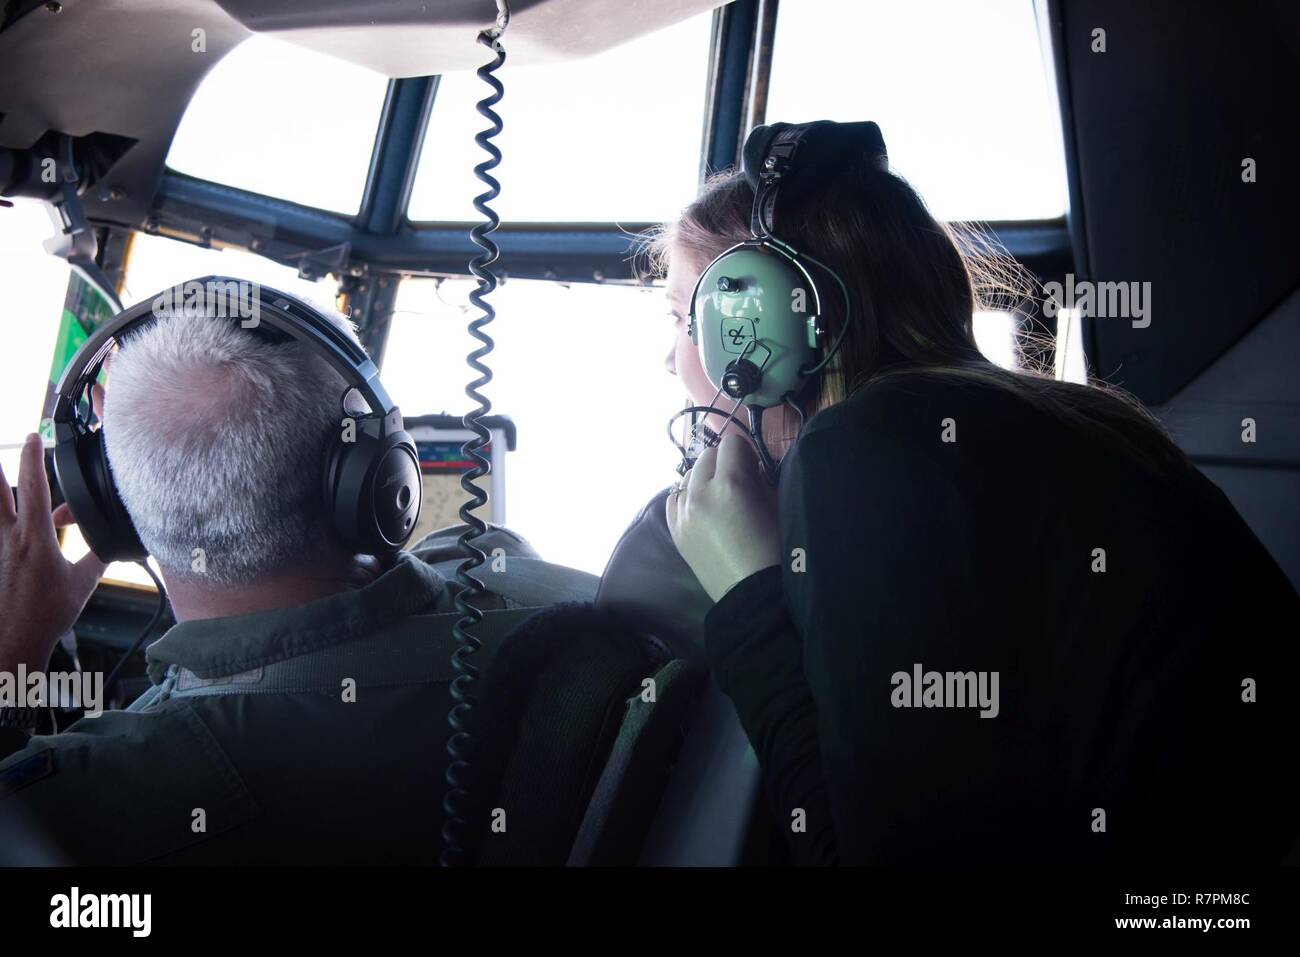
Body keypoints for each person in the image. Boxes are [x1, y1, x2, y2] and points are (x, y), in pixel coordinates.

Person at [655, 152, 1300, 865]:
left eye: (687, 318)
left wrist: (747, 597)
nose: (672, 361)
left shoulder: (868, 450)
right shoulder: (1062, 419)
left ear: (768, 327)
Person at [0, 296, 594, 865]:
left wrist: (14, 648)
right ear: (376, 477)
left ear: (108, 504)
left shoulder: (84, 796)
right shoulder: (521, 578)